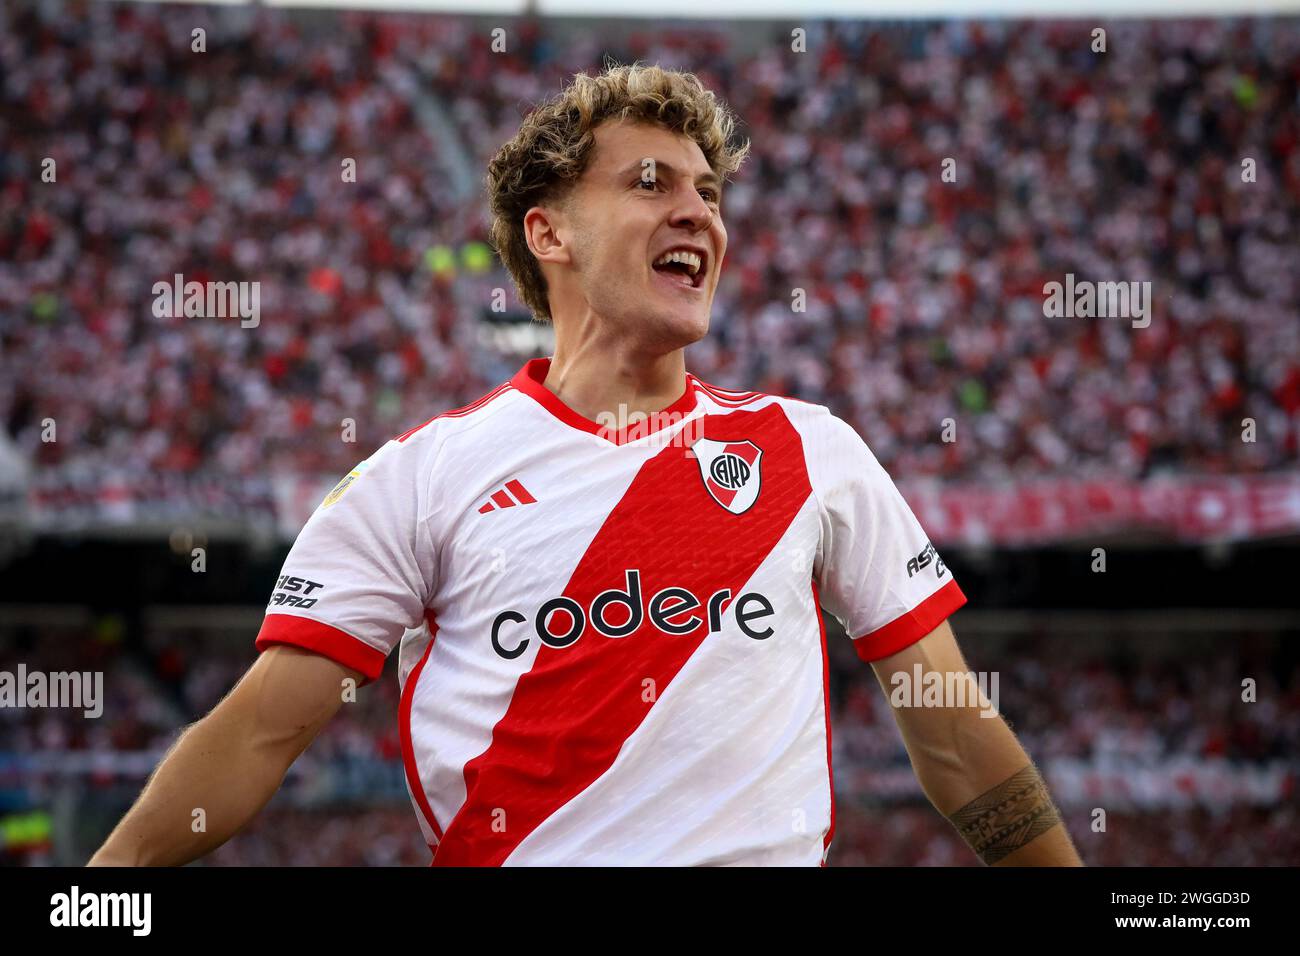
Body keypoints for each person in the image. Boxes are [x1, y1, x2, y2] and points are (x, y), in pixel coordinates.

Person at [90, 63, 1080, 867]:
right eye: (649, 182)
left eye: (708, 190)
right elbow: (258, 731)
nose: (698, 210)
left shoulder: (811, 449)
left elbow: (952, 729)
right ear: (548, 231)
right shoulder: (421, 476)